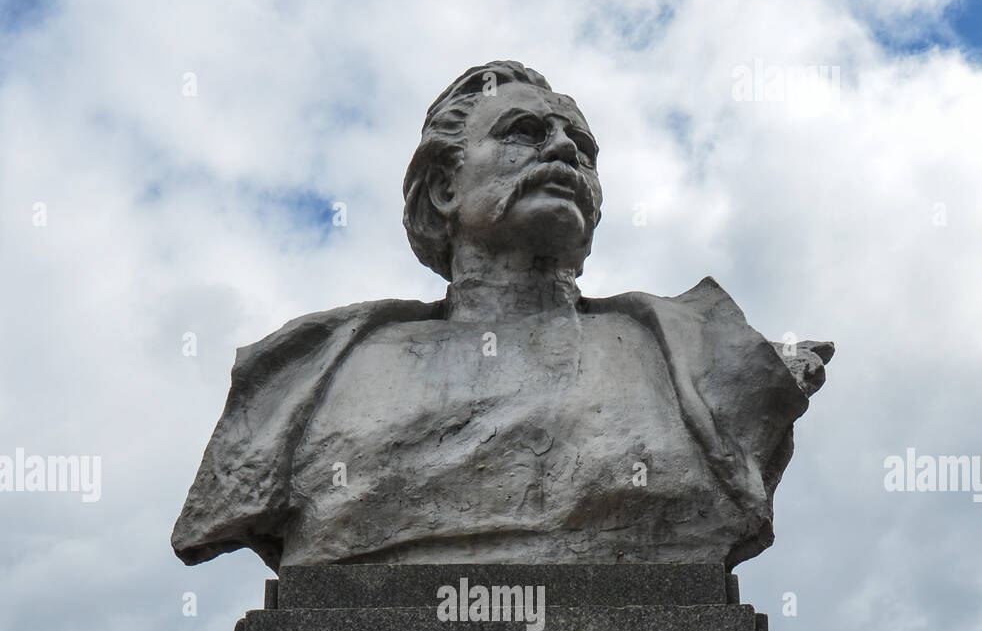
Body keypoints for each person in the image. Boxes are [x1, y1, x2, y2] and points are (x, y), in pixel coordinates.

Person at [173, 61, 832, 572]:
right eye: (524, 133)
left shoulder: (695, 360)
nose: (564, 152)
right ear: (444, 187)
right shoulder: (318, 374)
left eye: (582, 146)